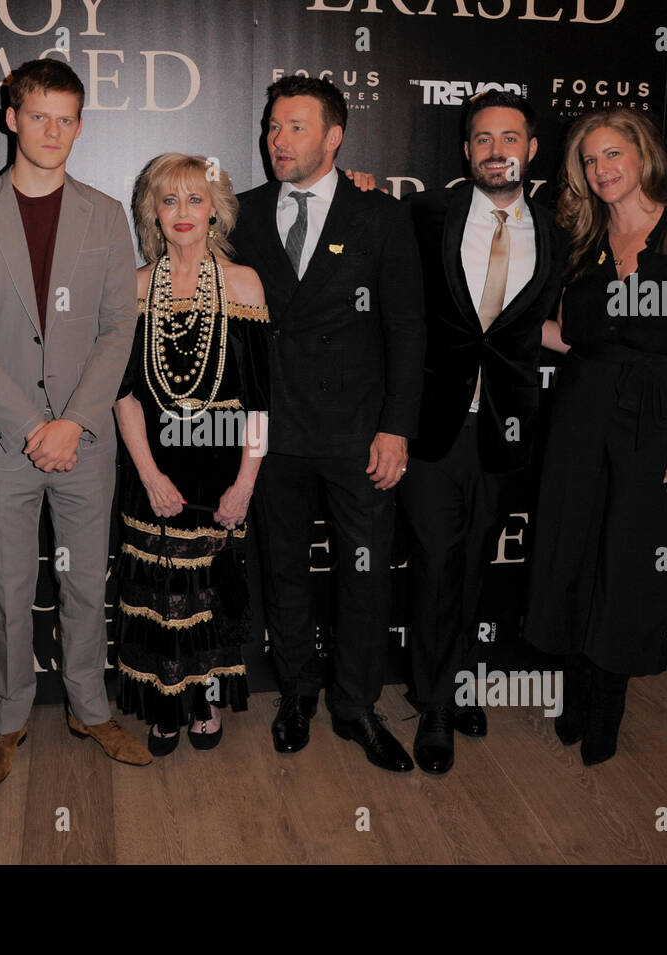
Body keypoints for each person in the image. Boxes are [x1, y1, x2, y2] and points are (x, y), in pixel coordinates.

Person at [0, 58, 150, 790]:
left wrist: (74, 423)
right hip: (2, 443)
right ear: (10, 118)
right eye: (40, 116)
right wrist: (36, 424)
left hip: (86, 441)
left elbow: (116, 329)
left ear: (81, 125)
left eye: (67, 118)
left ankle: (90, 708)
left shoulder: (104, 214)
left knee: (88, 584)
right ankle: (7, 719)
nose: (54, 131)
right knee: (7, 589)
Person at [231, 76, 425, 772]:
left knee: (363, 575)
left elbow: (407, 328)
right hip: (275, 435)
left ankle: (356, 706)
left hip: (358, 433)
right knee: (283, 570)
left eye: (294, 127)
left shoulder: (380, 215)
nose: (277, 140)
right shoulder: (241, 214)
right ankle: (296, 695)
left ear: (334, 137)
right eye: (272, 126)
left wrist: (397, 427)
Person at [523, 107, 667, 765]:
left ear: (642, 156)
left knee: (632, 556)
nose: (602, 169)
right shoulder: (578, 240)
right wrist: (506, 330)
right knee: (575, 545)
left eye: (613, 154)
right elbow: (563, 333)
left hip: (658, 414)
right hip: (582, 408)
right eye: (589, 160)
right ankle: (578, 687)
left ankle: (608, 697)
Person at [403, 91, 567, 776]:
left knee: (473, 566)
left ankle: (461, 680)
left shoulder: (560, 230)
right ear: (466, 150)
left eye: (510, 137)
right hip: (433, 424)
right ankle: (435, 705)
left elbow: (552, 323)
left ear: (531, 150)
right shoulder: (425, 216)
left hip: (506, 424)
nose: (496, 149)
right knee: (436, 565)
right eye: (482, 138)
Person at [112, 153, 270, 755]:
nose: (182, 212)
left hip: (220, 469)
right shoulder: (135, 286)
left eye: (195, 199)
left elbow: (260, 402)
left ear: (216, 211)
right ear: (153, 211)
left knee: (205, 593)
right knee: (156, 594)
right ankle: (163, 703)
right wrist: (149, 473)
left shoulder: (243, 283)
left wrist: (245, 485)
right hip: (153, 465)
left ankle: (203, 698)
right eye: (169, 200)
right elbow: (123, 392)